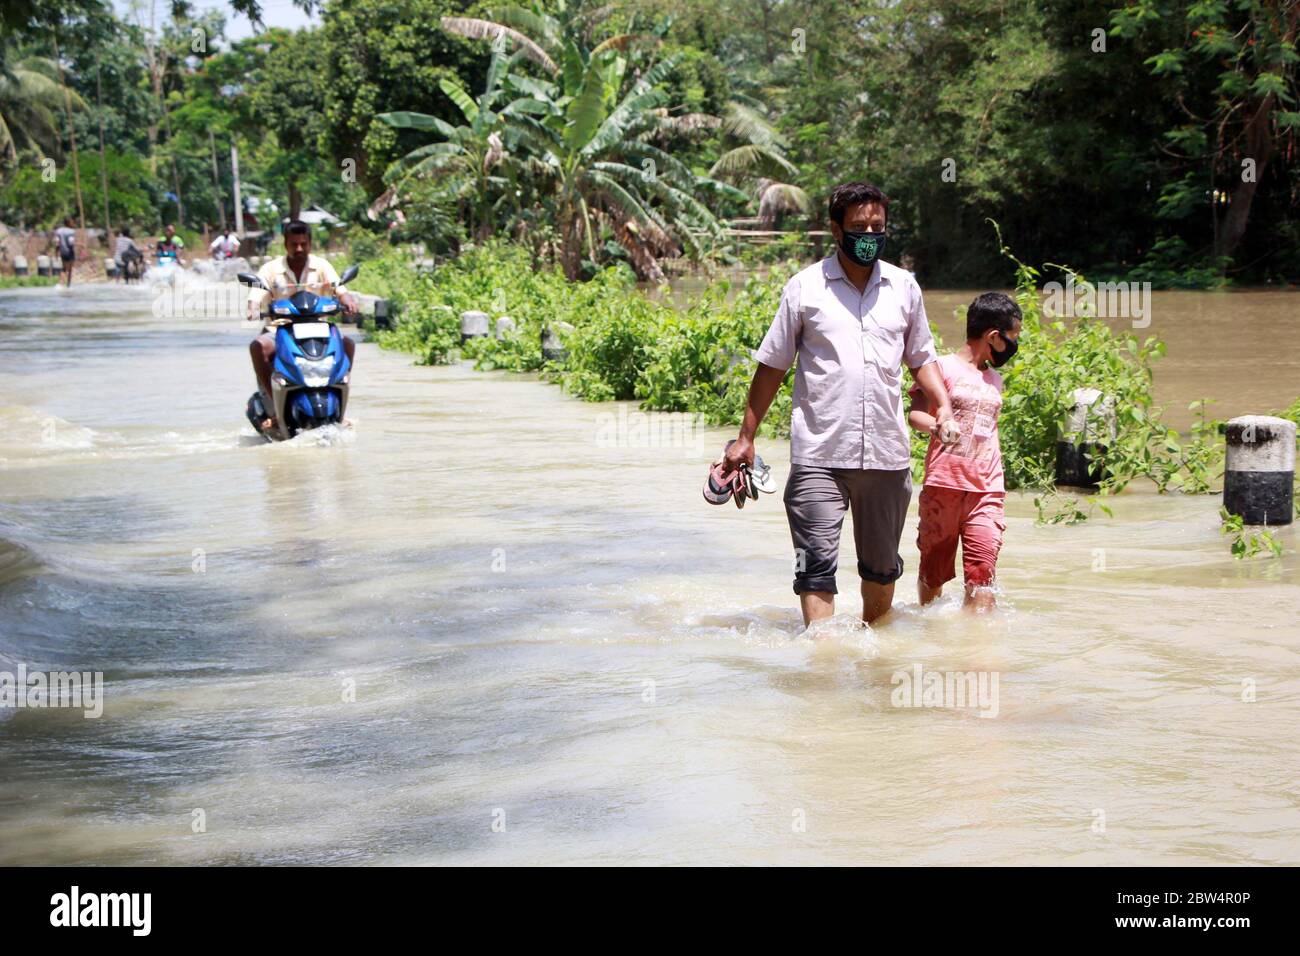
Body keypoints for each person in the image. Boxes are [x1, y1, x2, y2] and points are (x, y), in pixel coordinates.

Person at [724, 181, 953, 626]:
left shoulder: (904, 288)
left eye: (877, 226)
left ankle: (875, 655)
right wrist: (745, 438)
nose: (868, 234)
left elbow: (921, 358)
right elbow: (771, 366)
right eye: (858, 226)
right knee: (815, 569)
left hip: (887, 455)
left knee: (883, 568)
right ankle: (822, 669)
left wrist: (943, 403)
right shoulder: (805, 288)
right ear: (835, 229)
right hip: (819, 454)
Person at [908, 292, 1021, 613]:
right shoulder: (941, 368)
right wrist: (937, 427)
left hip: (987, 489)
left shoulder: (995, 379)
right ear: (994, 337)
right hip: (944, 486)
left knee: (982, 578)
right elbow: (915, 415)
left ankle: (976, 651)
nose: (1015, 346)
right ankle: (932, 636)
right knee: (933, 575)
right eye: (1013, 338)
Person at [245, 220, 358, 432]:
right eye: (294, 244)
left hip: (320, 328)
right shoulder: (271, 269)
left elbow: (339, 288)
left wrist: (348, 300)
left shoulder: (322, 265)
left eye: (303, 244)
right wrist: (253, 307)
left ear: (310, 244)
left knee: (348, 344)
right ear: (285, 244)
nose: (299, 249)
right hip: (280, 329)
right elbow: (256, 292)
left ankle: (340, 411)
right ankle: (275, 408)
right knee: (258, 346)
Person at [53, 218, 76, 287]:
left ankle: (60, 283)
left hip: (62, 252)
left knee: (64, 268)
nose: (73, 224)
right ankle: (68, 285)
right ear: (68, 223)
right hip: (69, 251)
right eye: (72, 222)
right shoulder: (71, 231)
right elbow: (71, 243)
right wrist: (79, 244)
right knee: (70, 269)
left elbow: (57, 243)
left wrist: (56, 253)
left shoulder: (58, 231)